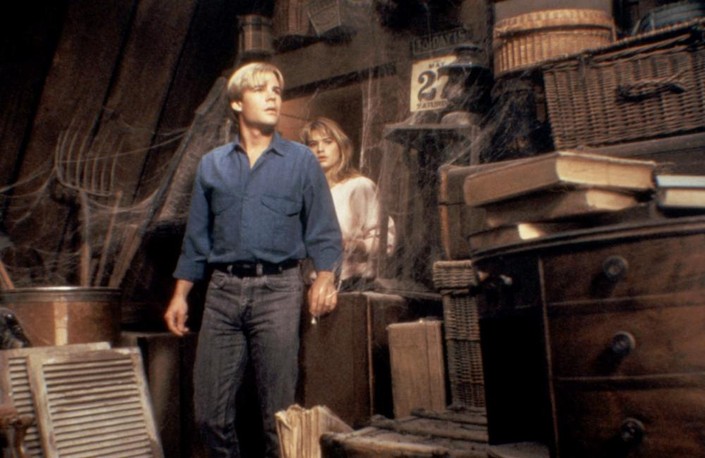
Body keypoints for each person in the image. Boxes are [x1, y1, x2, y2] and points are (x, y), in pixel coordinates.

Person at [164, 62, 342, 458]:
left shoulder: (301, 160)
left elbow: (324, 230)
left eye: (276, 91)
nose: (272, 97)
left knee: (278, 419)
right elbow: (196, 239)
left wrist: (325, 277)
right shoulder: (212, 165)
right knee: (209, 417)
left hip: (279, 292)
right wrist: (180, 295)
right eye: (261, 90)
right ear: (236, 103)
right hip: (222, 294)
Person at [300, 117, 395, 292]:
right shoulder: (304, 192)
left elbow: (386, 241)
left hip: (351, 284)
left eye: (328, 142)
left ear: (340, 146)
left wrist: (353, 245)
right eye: (313, 144)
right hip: (309, 285)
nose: (320, 149)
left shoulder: (359, 186)